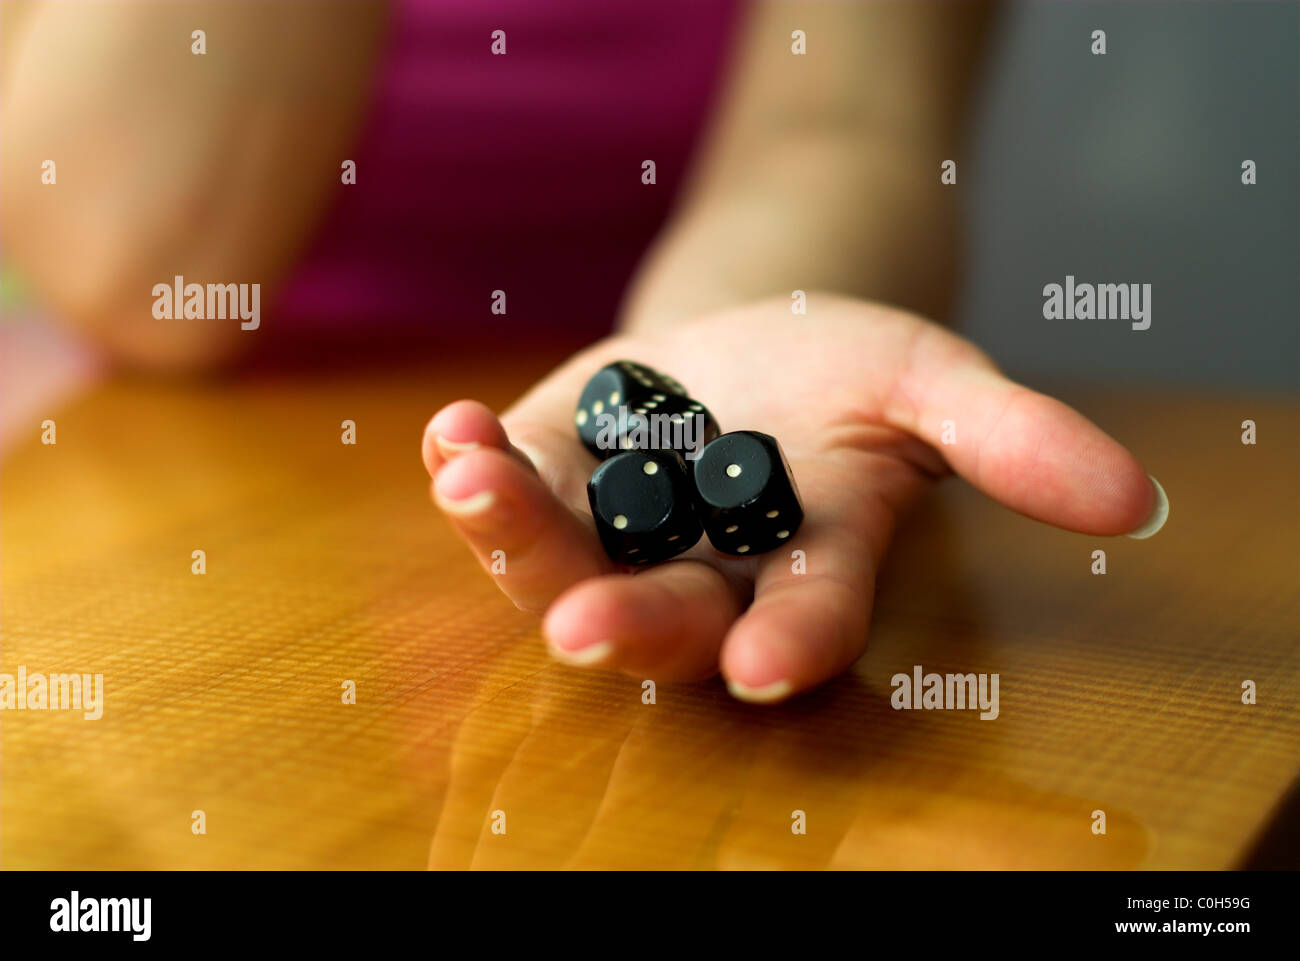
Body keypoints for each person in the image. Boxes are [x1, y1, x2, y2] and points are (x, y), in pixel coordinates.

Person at [2, 1, 1166, 703]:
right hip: (184, 473)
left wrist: (725, 328)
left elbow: (844, 129)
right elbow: (147, 276)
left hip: (645, 356)